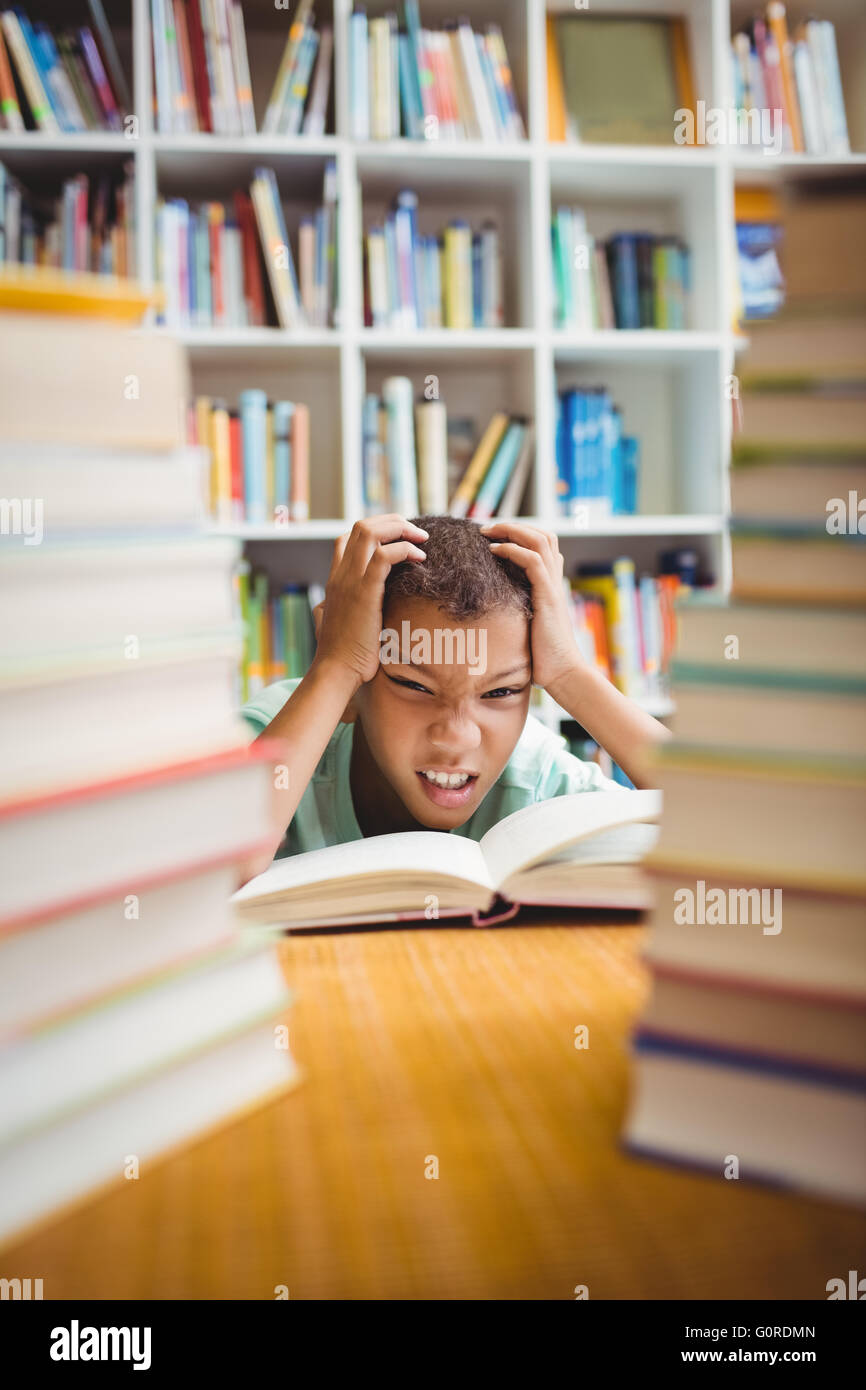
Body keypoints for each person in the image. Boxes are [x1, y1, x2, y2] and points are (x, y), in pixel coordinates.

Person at [242, 514, 669, 862]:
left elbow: (717, 825)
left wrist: (571, 673)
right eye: (414, 685)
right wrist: (335, 668)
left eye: (501, 692)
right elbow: (218, 866)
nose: (456, 736)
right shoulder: (278, 734)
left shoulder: (533, 776)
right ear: (355, 687)